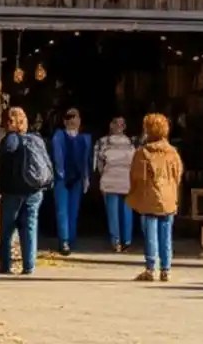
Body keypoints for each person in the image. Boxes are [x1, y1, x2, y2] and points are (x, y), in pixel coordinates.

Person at [127, 113, 184, 282]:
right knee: (166, 233)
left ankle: (151, 268)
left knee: (150, 233)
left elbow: (136, 176)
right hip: (168, 198)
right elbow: (178, 175)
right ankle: (166, 269)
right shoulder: (173, 153)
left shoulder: (142, 153)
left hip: (149, 199)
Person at [0, 107, 47, 275]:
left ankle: (5, 266)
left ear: (8, 122)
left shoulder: (9, 140)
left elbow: (2, 167)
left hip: (13, 191)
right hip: (35, 190)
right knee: (29, 227)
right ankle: (29, 266)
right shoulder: (36, 139)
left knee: (7, 229)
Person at [50, 108, 92, 255]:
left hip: (78, 178)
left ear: (80, 120)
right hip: (62, 177)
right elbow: (56, 156)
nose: (72, 120)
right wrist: (59, 173)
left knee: (73, 210)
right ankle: (64, 241)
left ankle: (71, 238)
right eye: (69, 117)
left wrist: (86, 178)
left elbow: (87, 160)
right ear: (64, 120)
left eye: (75, 116)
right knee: (62, 210)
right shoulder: (59, 136)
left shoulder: (85, 138)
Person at [94, 116, 137, 252]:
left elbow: (98, 164)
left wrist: (103, 175)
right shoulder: (130, 142)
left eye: (120, 124)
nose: (119, 126)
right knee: (126, 211)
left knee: (113, 212)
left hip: (110, 180)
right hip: (126, 180)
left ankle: (116, 241)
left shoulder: (102, 142)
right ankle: (127, 241)